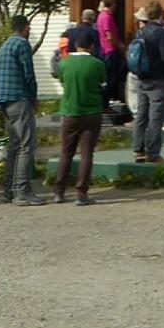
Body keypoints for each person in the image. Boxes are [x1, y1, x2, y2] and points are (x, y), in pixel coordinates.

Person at [54, 28, 108, 206]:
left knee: (66, 152)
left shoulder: (64, 63)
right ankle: (81, 192)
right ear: (91, 46)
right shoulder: (97, 64)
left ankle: (59, 191)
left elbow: (62, 80)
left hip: (70, 111)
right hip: (92, 112)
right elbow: (102, 83)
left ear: (76, 45)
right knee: (87, 154)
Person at [0, 15, 42, 205]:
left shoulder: (5, 45)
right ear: (26, 28)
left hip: (3, 100)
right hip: (19, 98)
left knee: (14, 145)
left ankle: (9, 189)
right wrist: (33, 97)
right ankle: (22, 191)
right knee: (26, 145)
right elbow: (28, 73)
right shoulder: (22, 44)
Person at [129, 2, 164, 163]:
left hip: (141, 78)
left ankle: (138, 150)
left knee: (141, 116)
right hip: (158, 80)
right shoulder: (162, 33)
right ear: (159, 14)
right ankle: (153, 153)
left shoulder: (139, 32)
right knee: (155, 117)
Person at [96, 0, 126, 105]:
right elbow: (109, 35)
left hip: (107, 50)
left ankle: (108, 101)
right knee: (111, 78)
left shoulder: (103, 15)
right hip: (110, 51)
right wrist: (120, 46)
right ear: (113, 3)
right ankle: (106, 103)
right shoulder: (106, 16)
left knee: (111, 77)